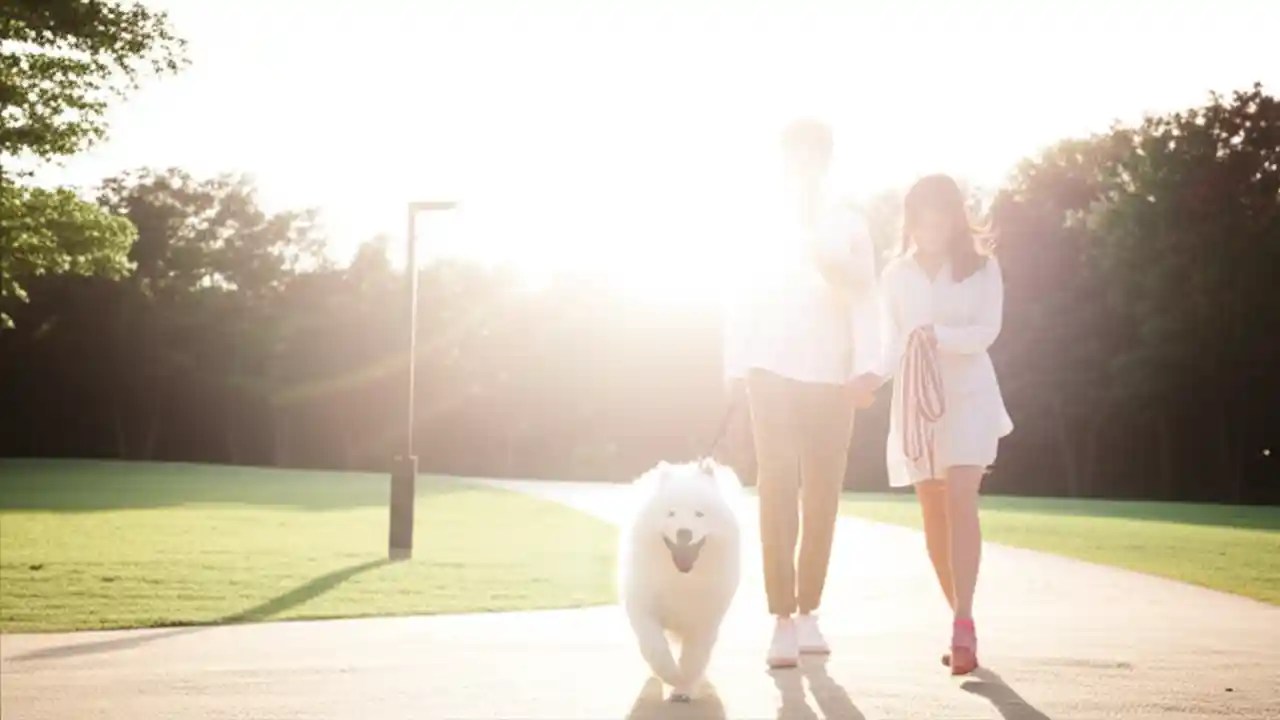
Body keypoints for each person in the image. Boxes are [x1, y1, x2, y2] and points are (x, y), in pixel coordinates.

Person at [723, 119, 880, 669]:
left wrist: (868, 366)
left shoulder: (850, 220)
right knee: (776, 481)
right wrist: (735, 364)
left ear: (827, 159)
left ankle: (810, 609)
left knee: (822, 490)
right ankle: (781, 617)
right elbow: (739, 292)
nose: (804, 162)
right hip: (769, 368)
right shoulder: (758, 218)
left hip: (832, 373)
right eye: (796, 153)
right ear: (784, 159)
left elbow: (867, 295)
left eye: (815, 153)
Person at [851, 173, 1013, 675]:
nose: (931, 223)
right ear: (911, 219)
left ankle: (962, 624)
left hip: (967, 398)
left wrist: (932, 335)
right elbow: (890, 342)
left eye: (941, 212)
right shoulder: (896, 274)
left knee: (962, 501)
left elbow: (986, 332)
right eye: (922, 213)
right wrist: (870, 377)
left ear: (955, 216)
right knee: (933, 516)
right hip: (916, 407)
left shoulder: (982, 268)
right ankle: (960, 620)